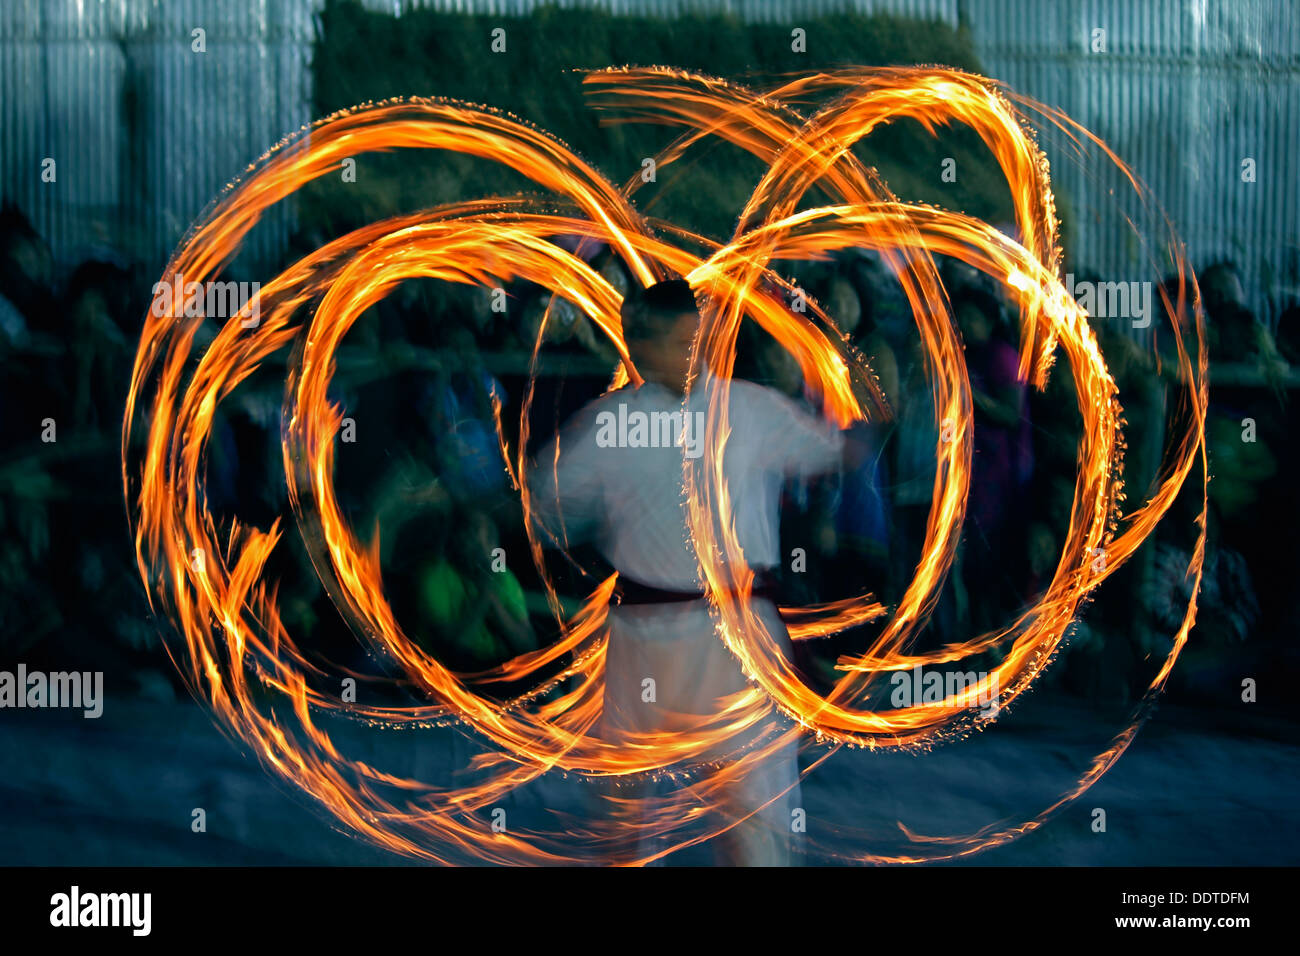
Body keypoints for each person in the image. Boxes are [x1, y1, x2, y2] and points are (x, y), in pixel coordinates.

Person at [527, 278, 852, 865]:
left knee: (757, 820)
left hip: (734, 642)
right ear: (638, 347)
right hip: (642, 642)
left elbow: (832, 451)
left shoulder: (748, 408)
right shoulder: (608, 426)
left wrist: (864, 399)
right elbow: (546, 505)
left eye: (695, 340)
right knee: (625, 821)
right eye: (675, 342)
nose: (691, 355)